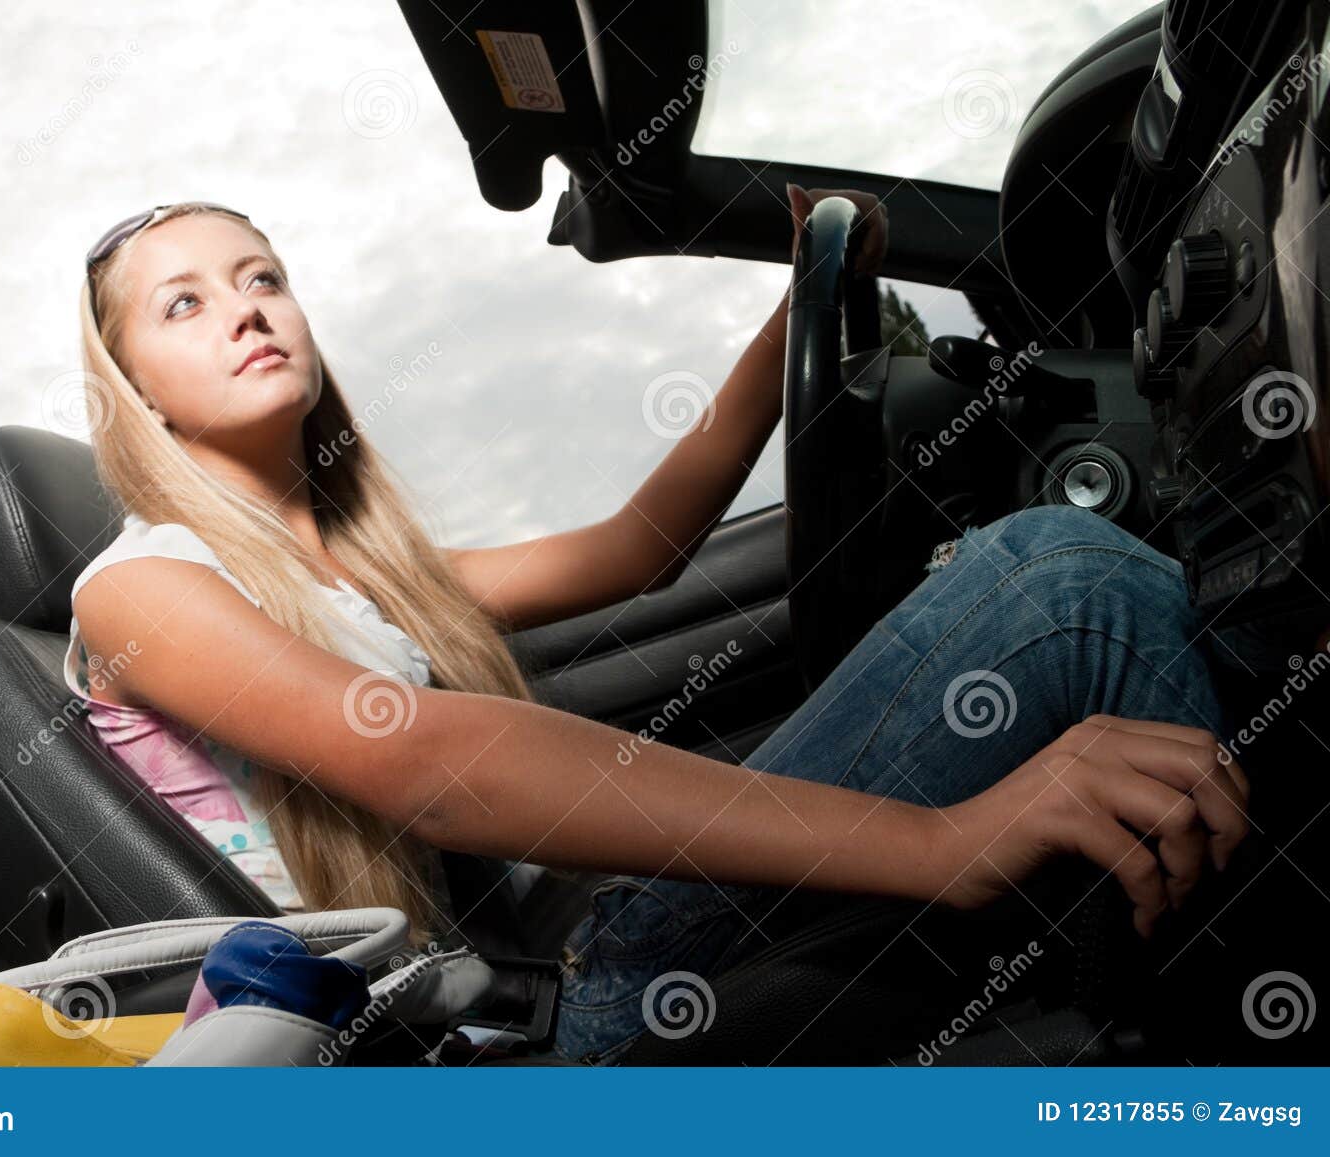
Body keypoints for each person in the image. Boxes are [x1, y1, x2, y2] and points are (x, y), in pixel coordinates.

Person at [62, 195, 1250, 1066]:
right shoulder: (136, 590)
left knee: (1065, 587)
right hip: (522, 1015)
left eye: (261, 276)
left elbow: (641, 547)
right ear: (137, 389)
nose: (246, 310)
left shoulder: (372, 576)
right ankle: (1233, 1050)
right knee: (1059, 587)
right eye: (185, 303)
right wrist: (942, 837)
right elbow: (422, 761)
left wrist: (800, 307)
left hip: (566, 947)